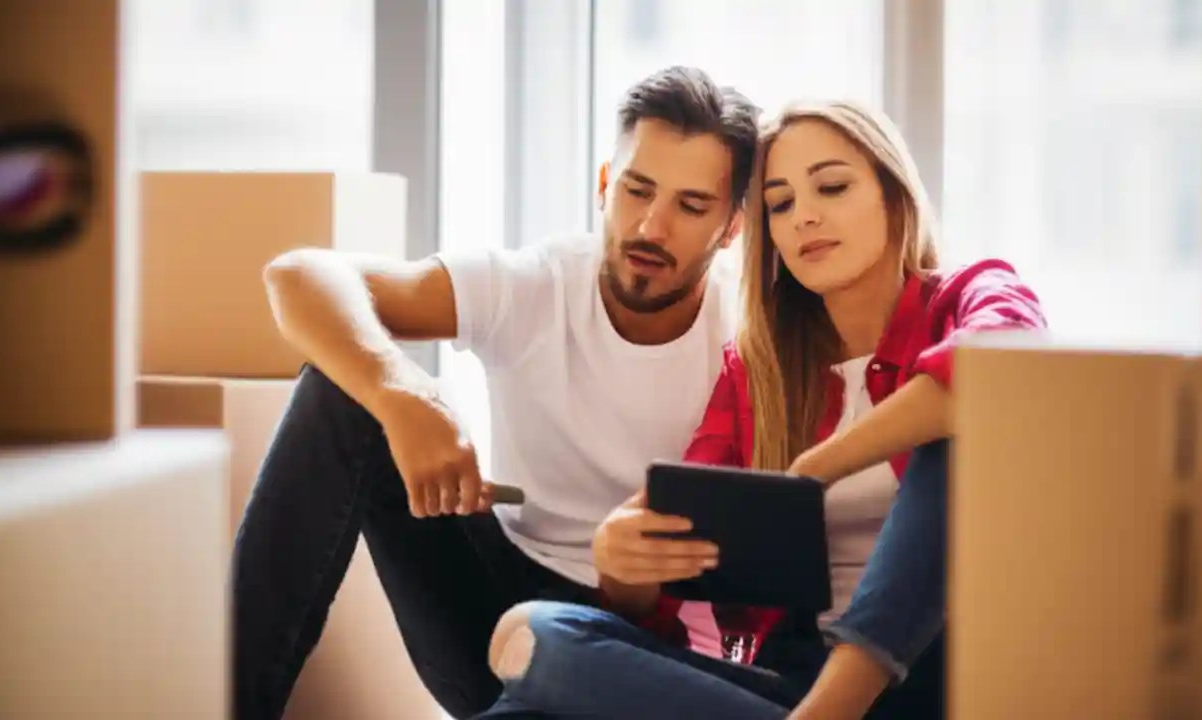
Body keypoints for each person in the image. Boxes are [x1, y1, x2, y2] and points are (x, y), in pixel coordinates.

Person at [478, 99, 1047, 719]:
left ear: (893, 194)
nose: (805, 217)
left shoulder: (973, 293)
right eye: (780, 202)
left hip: (943, 671)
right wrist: (624, 571)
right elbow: (678, 583)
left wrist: (814, 470)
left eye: (831, 187)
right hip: (792, 675)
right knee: (540, 634)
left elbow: (997, 372)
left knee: (954, 438)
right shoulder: (755, 370)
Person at [229, 66, 759, 720]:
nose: (651, 227)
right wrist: (404, 396)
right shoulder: (534, 284)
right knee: (341, 392)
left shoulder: (749, 335)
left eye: (691, 205)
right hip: (492, 604)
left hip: (645, 642)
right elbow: (298, 275)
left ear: (733, 227)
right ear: (603, 185)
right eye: (637, 189)